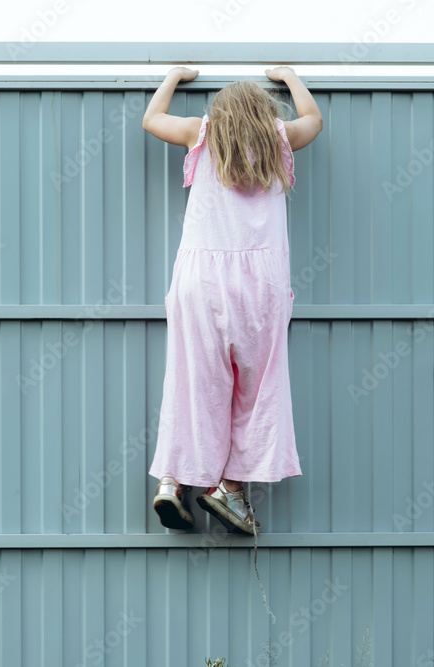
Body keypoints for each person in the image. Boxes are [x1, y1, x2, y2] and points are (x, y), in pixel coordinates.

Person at [143, 66, 323, 534]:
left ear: (219, 112)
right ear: (264, 111)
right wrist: (290, 77)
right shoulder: (279, 139)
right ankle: (230, 489)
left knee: (192, 382)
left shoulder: (200, 134)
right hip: (260, 282)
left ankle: (172, 482)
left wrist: (174, 75)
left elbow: (151, 118)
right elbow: (314, 119)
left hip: (199, 279)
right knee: (257, 390)